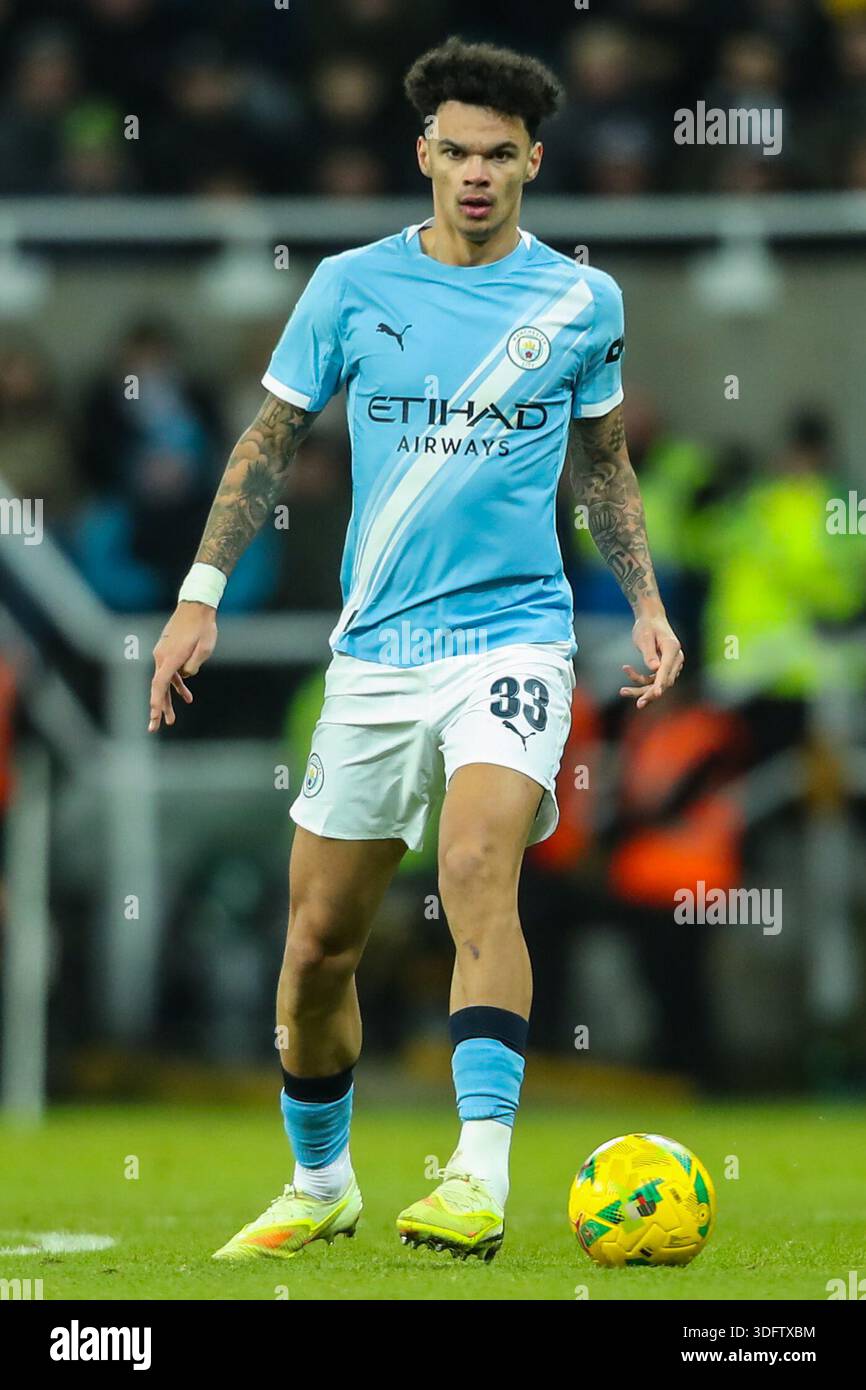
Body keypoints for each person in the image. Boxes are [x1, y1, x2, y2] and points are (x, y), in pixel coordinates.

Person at [148, 35, 683, 1264]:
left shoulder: (579, 302)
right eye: (457, 152)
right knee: (316, 947)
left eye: (501, 154)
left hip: (511, 637)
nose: (478, 173)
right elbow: (268, 443)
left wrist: (643, 605)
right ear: (422, 155)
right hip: (376, 656)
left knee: (477, 866)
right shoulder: (347, 287)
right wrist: (199, 592)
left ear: (535, 161)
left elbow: (603, 469)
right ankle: (321, 1178)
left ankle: (476, 1177)